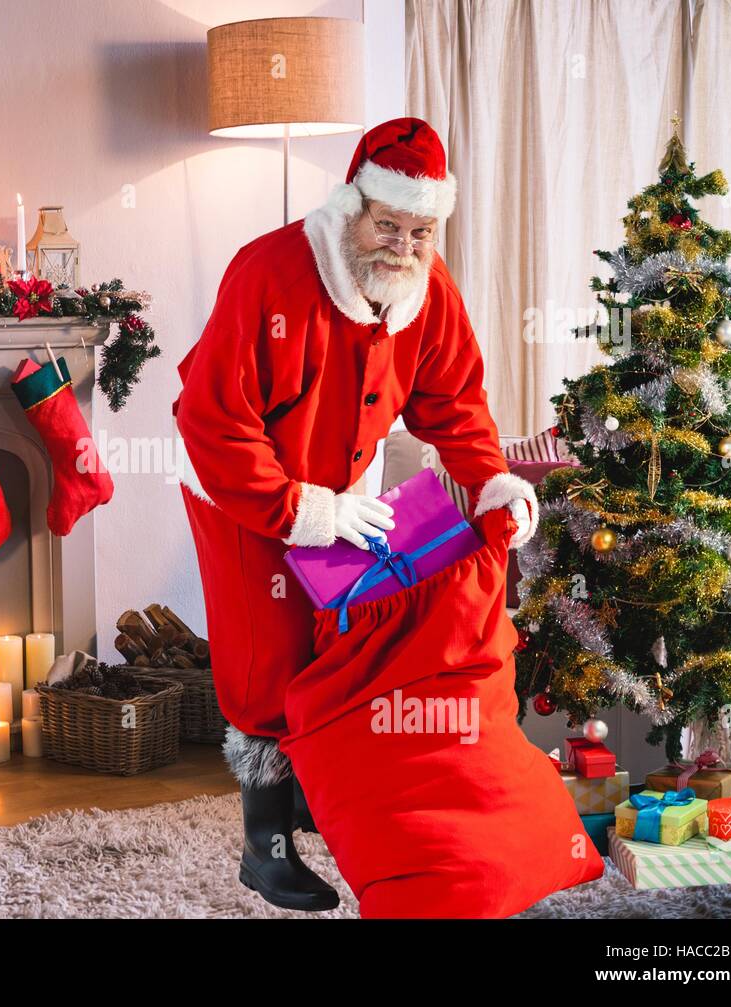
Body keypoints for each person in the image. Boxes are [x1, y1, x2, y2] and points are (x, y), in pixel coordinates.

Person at [173, 118, 538, 911]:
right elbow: (213, 421)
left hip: (342, 495)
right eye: (388, 224)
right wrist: (298, 509)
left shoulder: (424, 288)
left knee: (335, 638)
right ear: (353, 206)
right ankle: (262, 845)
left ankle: (316, 794)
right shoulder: (268, 272)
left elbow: (454, 402)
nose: (403, 246)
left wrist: (493, 483)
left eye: (420, 230)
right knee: (265, 655)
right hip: (240, 486)